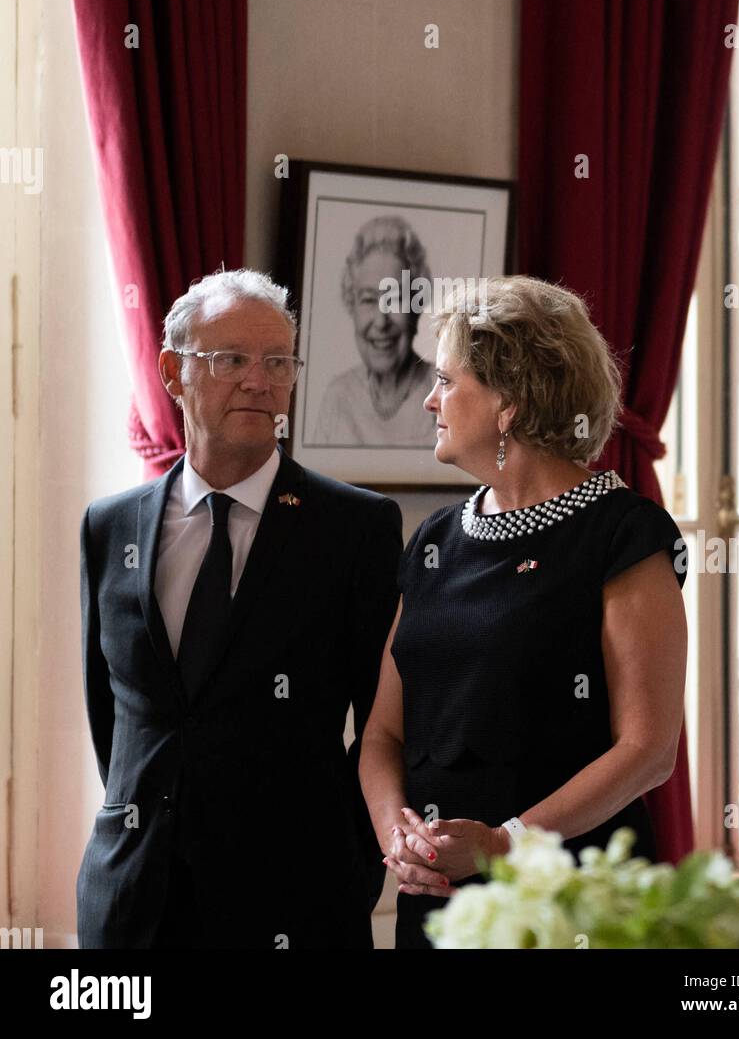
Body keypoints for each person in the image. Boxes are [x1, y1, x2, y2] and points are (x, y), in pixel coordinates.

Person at [76, 268, 402, 948]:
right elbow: (116, 721)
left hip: (296, 900)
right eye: (231, 360)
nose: (260, 381)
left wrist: (351, 862)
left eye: (278, 362)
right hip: (133, 901)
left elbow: (384, 725)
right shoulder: (108, 527)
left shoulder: (355, 529)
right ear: (172, 372)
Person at [359, 275, 688, 949]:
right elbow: (381, 738)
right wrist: (401, 840)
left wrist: (504, 846)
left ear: (508, 403)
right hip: (441, 905)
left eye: (448, 381)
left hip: (576, 904)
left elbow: (648, 749)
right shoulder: (434, 542)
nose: (429, 400)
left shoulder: (624, 536)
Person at [313, 215, 436, 446]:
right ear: (352, 304)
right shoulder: (338, 398)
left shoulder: (442, 394)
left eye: (395, 299)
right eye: (369, 300)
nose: (381, 321)